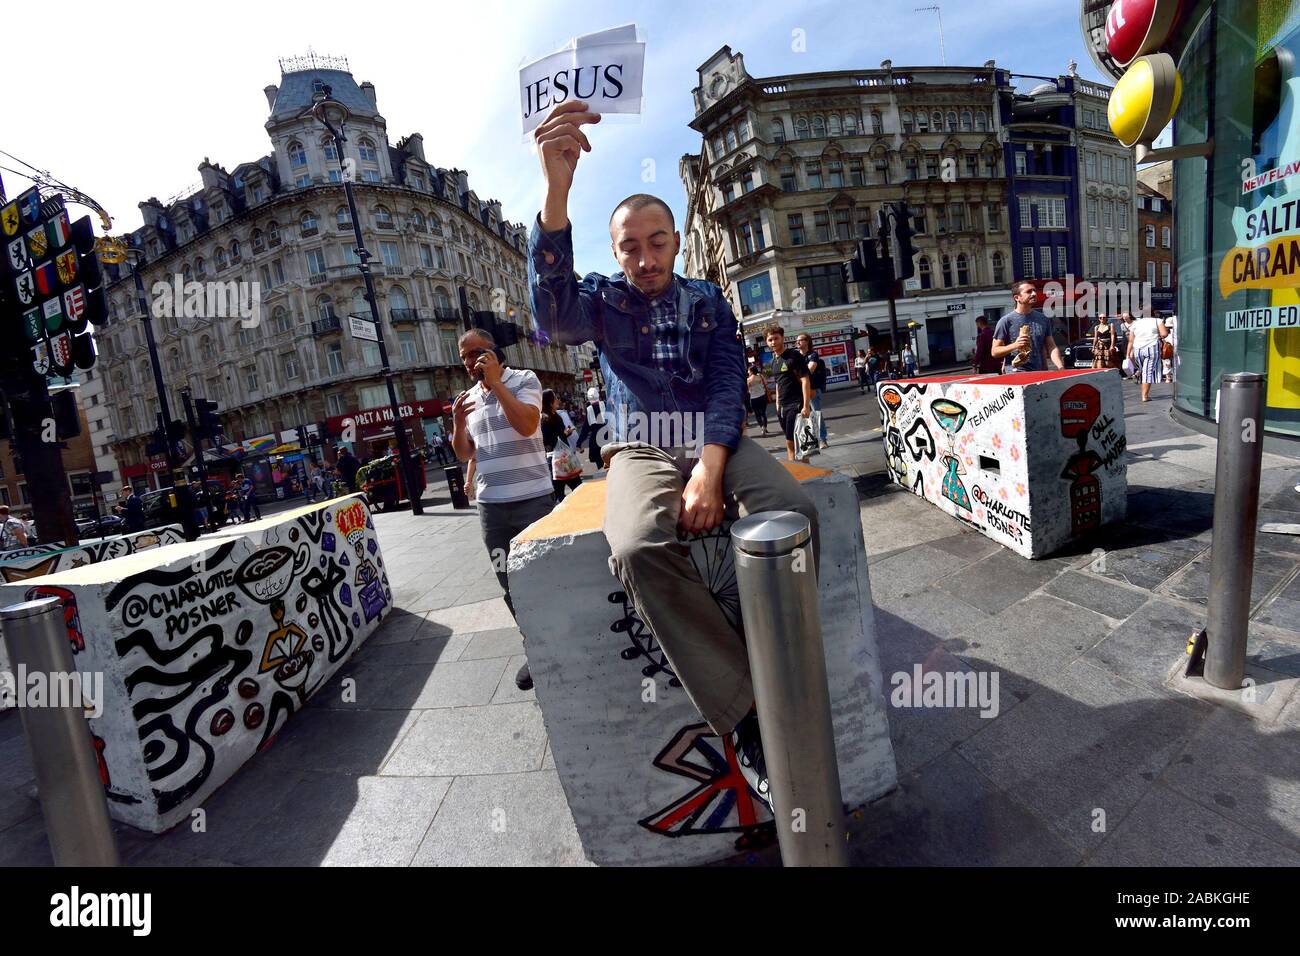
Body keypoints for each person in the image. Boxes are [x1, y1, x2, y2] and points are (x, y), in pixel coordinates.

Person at [529, 99, 821, 804]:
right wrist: (556, 191)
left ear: (677, 241)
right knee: (634, 545)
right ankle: (746, 711)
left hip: (711, 434)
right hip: (639, 446)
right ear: (617, 250)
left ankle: (792, 657)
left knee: (793, 508)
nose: (645, 257)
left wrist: (712, 472)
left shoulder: (709, 301)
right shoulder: (602, 300)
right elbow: (552, 317)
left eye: (657, 241)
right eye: (630, 246)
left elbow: (727, 384)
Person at [451, 328, 554, 691]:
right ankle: (536, 648)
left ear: (495, 353)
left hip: (533, 500)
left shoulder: (524, 379)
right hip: (491, 508)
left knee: (544, 578)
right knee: (509, 584)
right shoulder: (466, 399)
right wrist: (458, 424)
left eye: (476, 352)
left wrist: (497, 385)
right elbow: (466, 454)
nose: (469, 361)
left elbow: (527, 425)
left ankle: (559, 641)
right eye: (463, 356)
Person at [992, 280, 1065, 373]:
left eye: (1034, 290)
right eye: (1029, 291)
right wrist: (1015, 345)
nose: (1034, 293)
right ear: (1017, 297)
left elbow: (1051, 346)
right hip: (1014, 373)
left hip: (1037, 372)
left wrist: (1060, 367)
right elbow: (994, 351)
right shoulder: (1005, 321)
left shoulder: (1043, 319)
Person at [767, 325, 813, 462]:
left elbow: (805, 380)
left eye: (776, 338)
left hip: (796, 404)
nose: (773, 342)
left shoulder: (794, 356)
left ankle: (804, 472)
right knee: (791, 441)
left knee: (795, 442)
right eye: (770, 340)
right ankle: (798, 473)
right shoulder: (773, 361)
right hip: (782, 407)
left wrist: (806, 405)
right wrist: (777, 404)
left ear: (782, 338)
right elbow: (778, 383)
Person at [541, 388, 584, 501]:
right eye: (555, 398)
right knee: (559, 493)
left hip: (565, 457)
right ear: (550, 402)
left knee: (578, 487)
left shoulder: (557, 416)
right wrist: (562, 434)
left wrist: (566, 433)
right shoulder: (544, 419)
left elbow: (561, 435)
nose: (557, 400)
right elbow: (546, 441)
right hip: (556, 460)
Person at [1126, 311, 1170, 403]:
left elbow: (1131, 340)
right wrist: (1158, 335)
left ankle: (1142, 387)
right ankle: (1144, 396)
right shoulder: (1157, 321)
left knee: (1144, 371)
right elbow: (1164, 334)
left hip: (1137, 349)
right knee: (1148, 372)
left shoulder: (1136, 323)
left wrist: (1128, 354)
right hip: (1151, 348)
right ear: (1153, 313)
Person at [795, 332, 830, 448]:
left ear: (807, 341)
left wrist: (797, 375)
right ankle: (809, 439)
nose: (797, 342)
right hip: (799, 390)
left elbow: (810, 370)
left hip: (812, 389)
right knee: (803, 415)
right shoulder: (795, 356)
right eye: (797, 340)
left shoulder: (813, 355)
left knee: (816, 414)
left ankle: (822, 439)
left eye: (800, 340)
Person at [584, 386, 606, 470]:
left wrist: (579, 443)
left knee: (601, 466)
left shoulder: (589, 409)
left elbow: (586, 427)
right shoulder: (604, 404)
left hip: (596, 442)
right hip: (607, 438)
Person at [746, 364, 770, 435]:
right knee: (763, 413)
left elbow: (747, 390)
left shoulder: (748, 380)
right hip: (762, 396)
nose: (748, 372)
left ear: (751, 371)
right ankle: (765, 427)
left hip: (754, 398)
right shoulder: (760, 376)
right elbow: (766, 383)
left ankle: (762, 426)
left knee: (757, 414)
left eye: (748, 370)